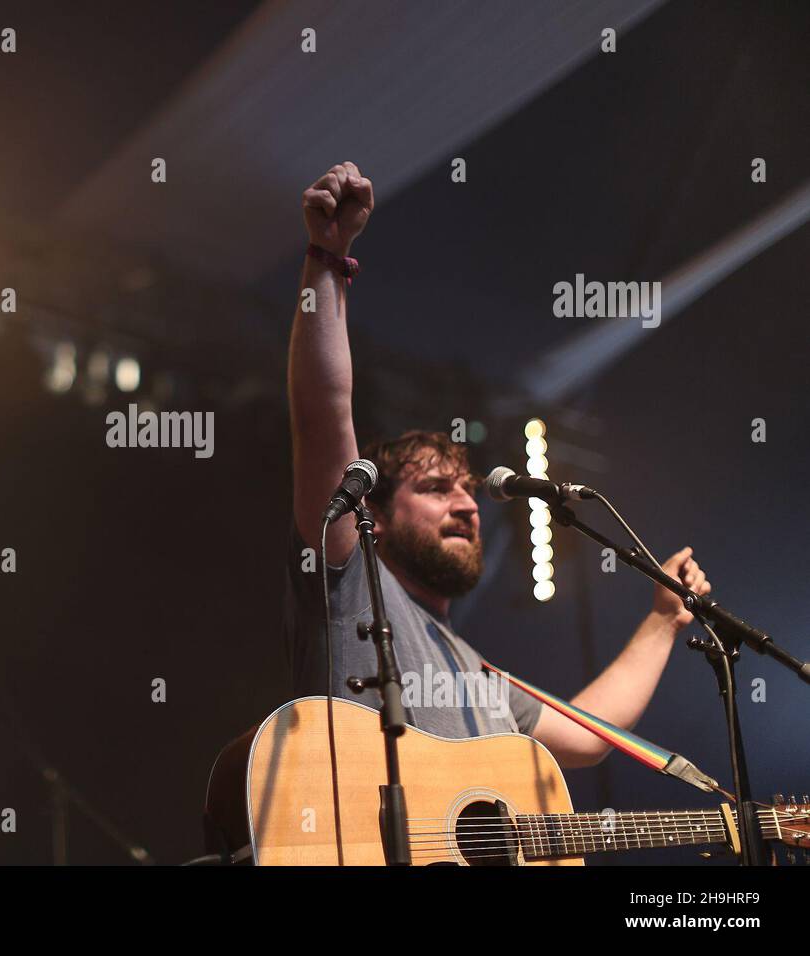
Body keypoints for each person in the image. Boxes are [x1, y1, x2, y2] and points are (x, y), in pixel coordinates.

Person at [285, 161, 711, 765]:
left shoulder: (476, 672)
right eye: (436, 488)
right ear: (373, 515)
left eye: (467, 490)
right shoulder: (350, 582)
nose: (467, 504)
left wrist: (664, 621)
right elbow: (323, 411)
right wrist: (328, 258)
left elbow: (590, 737)